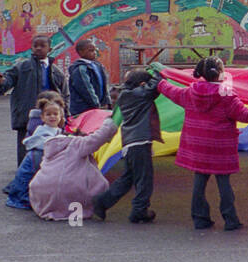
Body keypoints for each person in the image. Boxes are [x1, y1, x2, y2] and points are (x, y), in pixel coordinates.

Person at [156, 56, 248, 230]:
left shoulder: (190, 93)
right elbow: (244, 113)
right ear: (220, 73)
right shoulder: (226, 95)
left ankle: (200, 219)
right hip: (220, 147)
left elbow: (172, 91)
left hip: (198, 146)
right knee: (224, 184)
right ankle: (230, 220)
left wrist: (160, 83)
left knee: (199, 183)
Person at [91, 67, 164, 223]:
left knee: (128, 178)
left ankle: (102, 202)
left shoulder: (126, 95)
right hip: (140, 142)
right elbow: (156, 86)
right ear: (142, 83)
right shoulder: (139, 94)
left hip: (130, 143)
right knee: (144, 179)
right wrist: (160, 70)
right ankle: (139, 210)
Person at [30, 112, 118, 221]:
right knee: (99, 183)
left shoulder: (50, 146)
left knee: (55, 189)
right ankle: (82, 208)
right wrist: (110, 122)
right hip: (68, 188)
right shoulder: (76, 144)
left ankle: (51, 210)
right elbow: (99, 137)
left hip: (40, 189)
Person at [0, 35, 68, 163]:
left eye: (42, 46)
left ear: (49, 49)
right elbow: (7, 82)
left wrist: (66, 113)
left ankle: (48, 172)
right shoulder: (22, 67)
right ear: (31, 48)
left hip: (51, 114)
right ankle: (24, 173)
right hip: (28, 114)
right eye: (35, 46)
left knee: (52, 143)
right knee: (26, 145)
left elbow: (65, 94)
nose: (38, 48)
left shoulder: (55, 71)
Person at [5, 97, 66, 210]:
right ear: (42, 117)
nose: (52, 117)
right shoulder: (42, 132)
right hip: (29, 176)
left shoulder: (57, 131)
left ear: (60, 116)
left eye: (55, 114)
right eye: (48, 114)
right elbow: (48, 145)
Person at [67, 39, 110, 117]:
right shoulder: (80, 69)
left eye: (95, 50)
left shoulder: (98, 66)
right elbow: (86, 89)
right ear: (81, 52)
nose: (94, 53)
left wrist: (107, 102)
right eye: (91, 51)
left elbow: (105, 86)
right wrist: (96, 104)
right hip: (84, 109)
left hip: (98, 108)